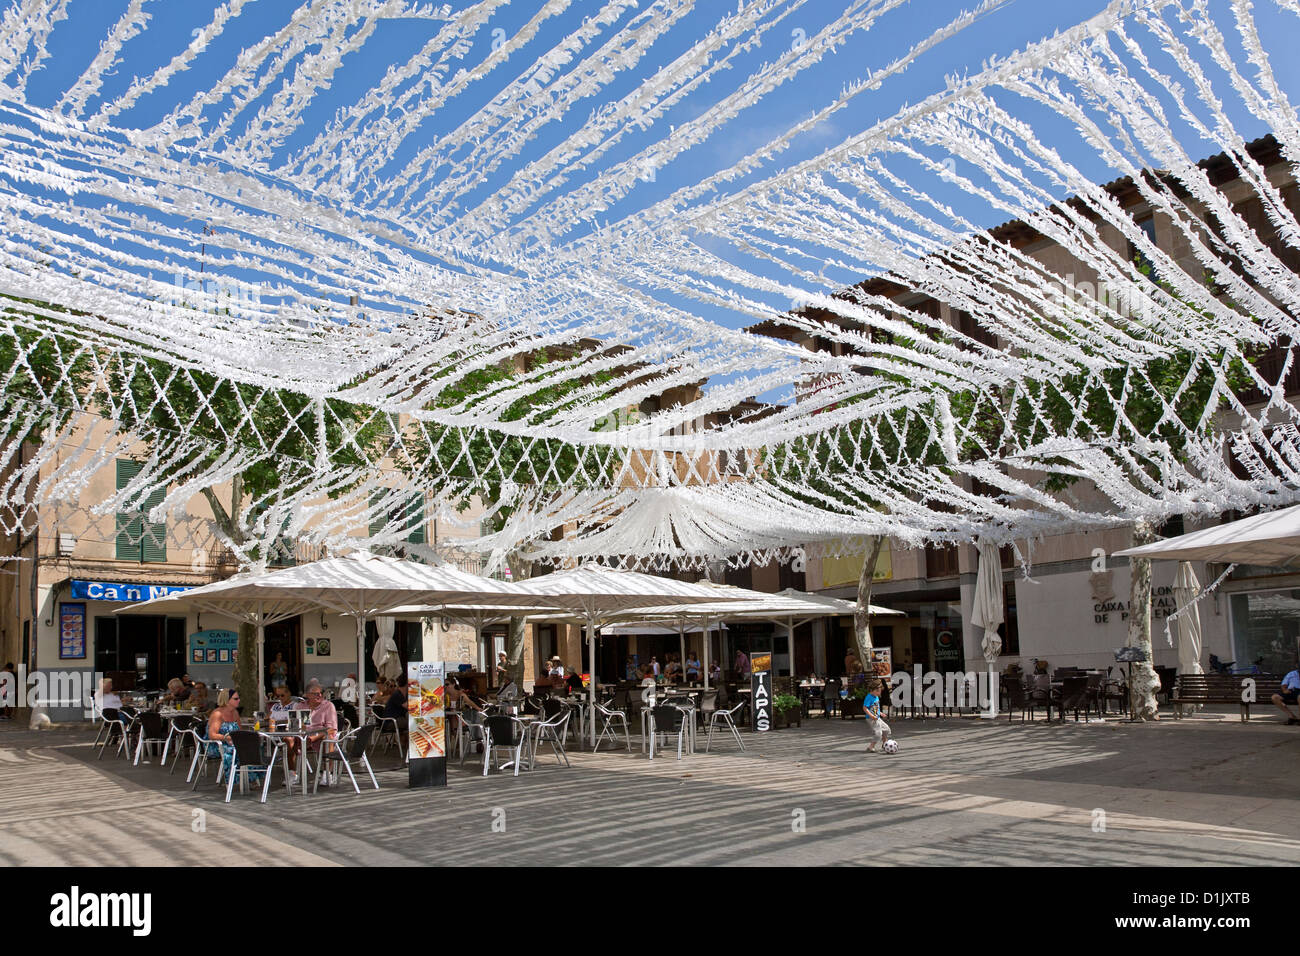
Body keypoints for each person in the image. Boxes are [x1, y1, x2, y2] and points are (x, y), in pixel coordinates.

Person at [285, 687, 338, 788]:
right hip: (302, 735)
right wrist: (298, 728)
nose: (320, 696)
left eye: (320, 693)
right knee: (288, 739)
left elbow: (331, 728)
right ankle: (292, 774)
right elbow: (293, 726)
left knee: (328, 739)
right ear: (307, 695)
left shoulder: (328, 706)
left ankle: (327, 774)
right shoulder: (300, 706)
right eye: (316, 694)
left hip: (322, 735)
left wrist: (314, 737)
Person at [206, 688, 242, 777]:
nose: (239, 700)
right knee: (236, 751)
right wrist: (228, 738)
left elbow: (240, 732)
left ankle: (248, 777)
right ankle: (235, 778)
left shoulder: (235, 713)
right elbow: (212, 735)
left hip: (231, 743)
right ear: (227, 700)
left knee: (253, 748)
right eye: (236, 699)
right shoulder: (218, 714)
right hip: (215, 745)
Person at [862, 678, 893, 753]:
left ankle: (885, 744)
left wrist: (880, 713)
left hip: (877, 718)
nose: (879, 693)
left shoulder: (876, 697)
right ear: (873, 690)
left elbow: (875, 708)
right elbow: (865, 708)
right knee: (878, 733)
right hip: (872, 719)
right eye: (878, 691)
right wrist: (871, 716)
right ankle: (871, 747)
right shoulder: (869, 697)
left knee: (886, 730)